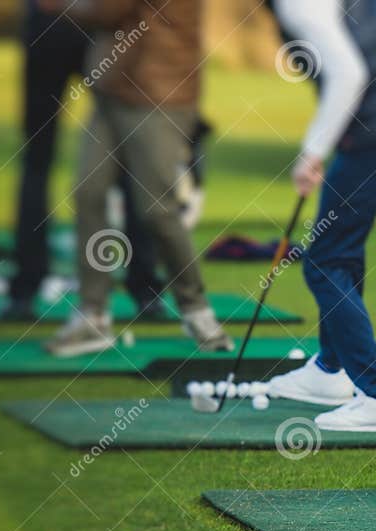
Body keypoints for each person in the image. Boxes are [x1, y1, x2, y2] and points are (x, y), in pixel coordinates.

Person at [263, 0, 376, 432]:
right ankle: (329, 370)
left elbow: (348, 74)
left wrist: (313, 151)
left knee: (324, 261)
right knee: (339, 249)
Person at [38, 0, 233, 357]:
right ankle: (92, 315)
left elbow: (109, 9)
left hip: (159, 95)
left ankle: (197, 310)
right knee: (89, 193)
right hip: (114, 90)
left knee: (157, 210)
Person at [3, 0, 199, 321]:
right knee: (126, 158)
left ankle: (24, 292)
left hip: (70, 23)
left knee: (39, 160)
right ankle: (145, 291)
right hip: (101, 26)